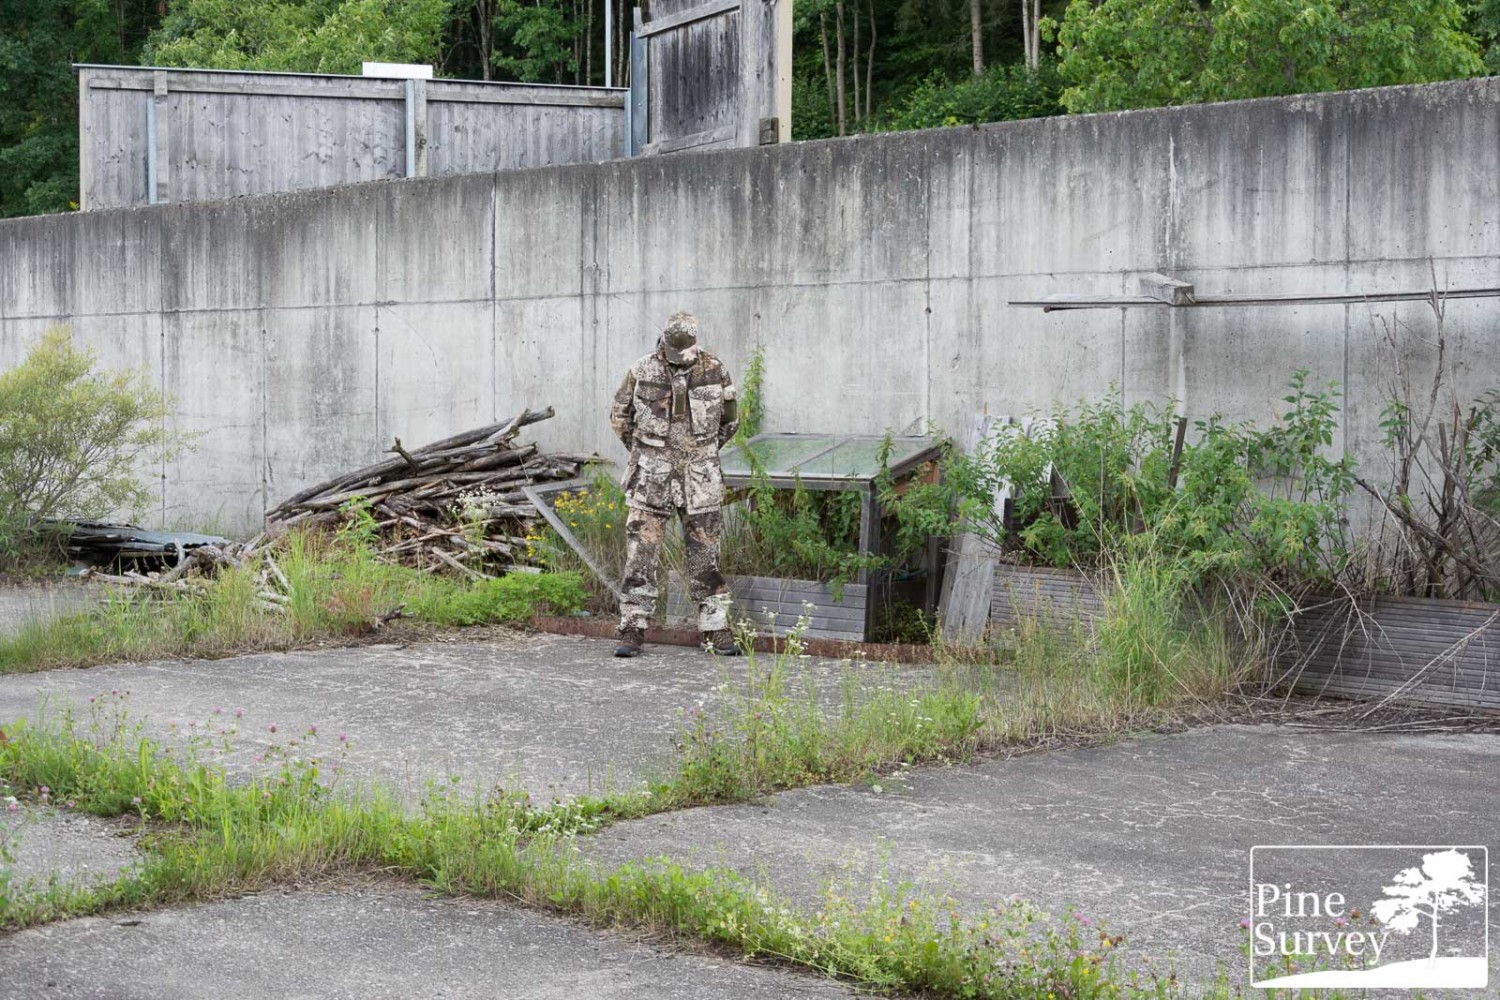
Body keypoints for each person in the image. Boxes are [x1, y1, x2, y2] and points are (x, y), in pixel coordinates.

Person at [609, 312, 739, 658]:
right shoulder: (642, 370)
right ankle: (633, 628)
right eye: (674, 352)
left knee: (706, 556)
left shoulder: (715, 369)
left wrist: (700, 455)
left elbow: (731, 422)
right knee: (641, 555)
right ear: (663, 342)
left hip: (700, 479)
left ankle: (715, 630)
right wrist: (649, 455)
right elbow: (620, 418)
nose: (680, 359)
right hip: (651, 478)